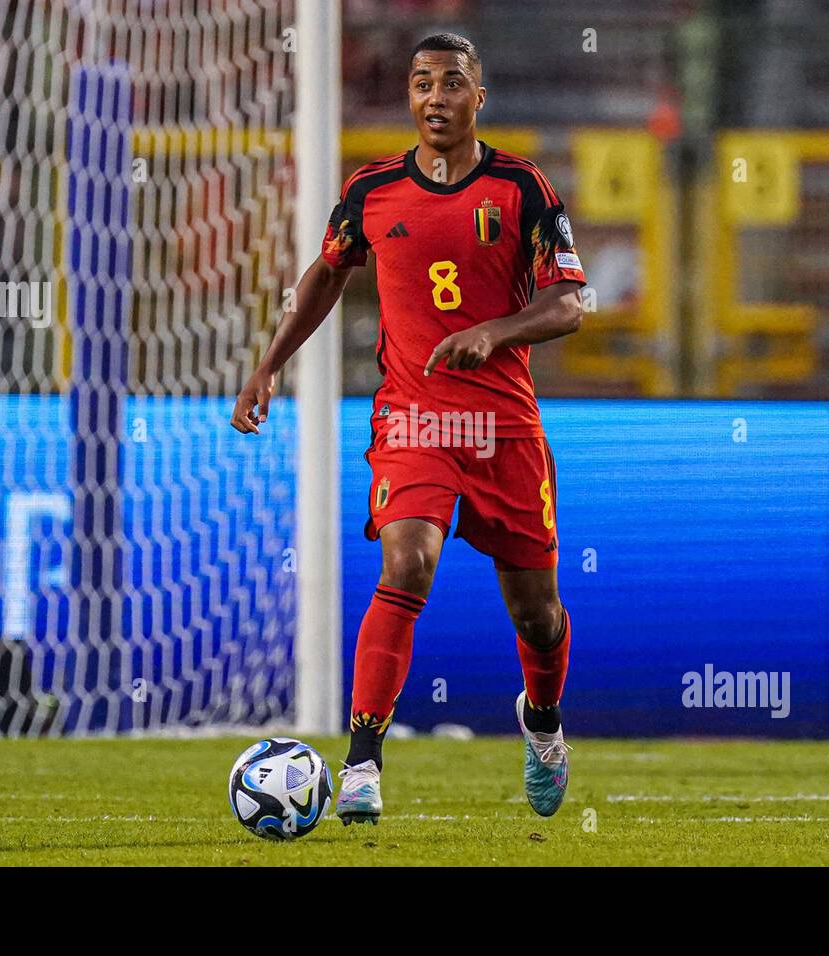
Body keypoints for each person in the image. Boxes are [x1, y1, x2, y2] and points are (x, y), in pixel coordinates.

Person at [231, 33, 586, 824]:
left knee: (537, 612)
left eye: (452, 83)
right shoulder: (373, 191)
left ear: (477, 98)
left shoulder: (522, 187)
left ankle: (542, 719)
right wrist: (269, 364)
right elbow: (326, 273)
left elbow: (571, 303)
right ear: (409, 98)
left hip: (504, 427)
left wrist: (497, 332)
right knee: (407, 560)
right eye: (422, 83)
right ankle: (362, 763)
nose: (435, 97)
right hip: (413, 417)